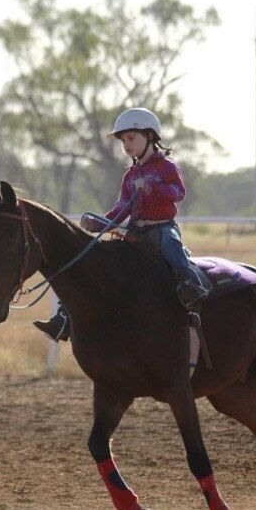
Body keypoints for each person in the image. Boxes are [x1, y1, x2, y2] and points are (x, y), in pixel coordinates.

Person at [34, 107, 209, 342]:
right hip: (135, 232)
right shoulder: (129, 176)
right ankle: (63, 319)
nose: (126, 145)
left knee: (172, 246)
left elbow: (179, 192)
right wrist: (102, 223)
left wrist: (151, 187)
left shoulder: (167, 167)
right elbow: (122, 207)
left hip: (162, 228)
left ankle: (190, 287)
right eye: (123, 140)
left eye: (131, 138)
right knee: (99, 265)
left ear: (149, 136)